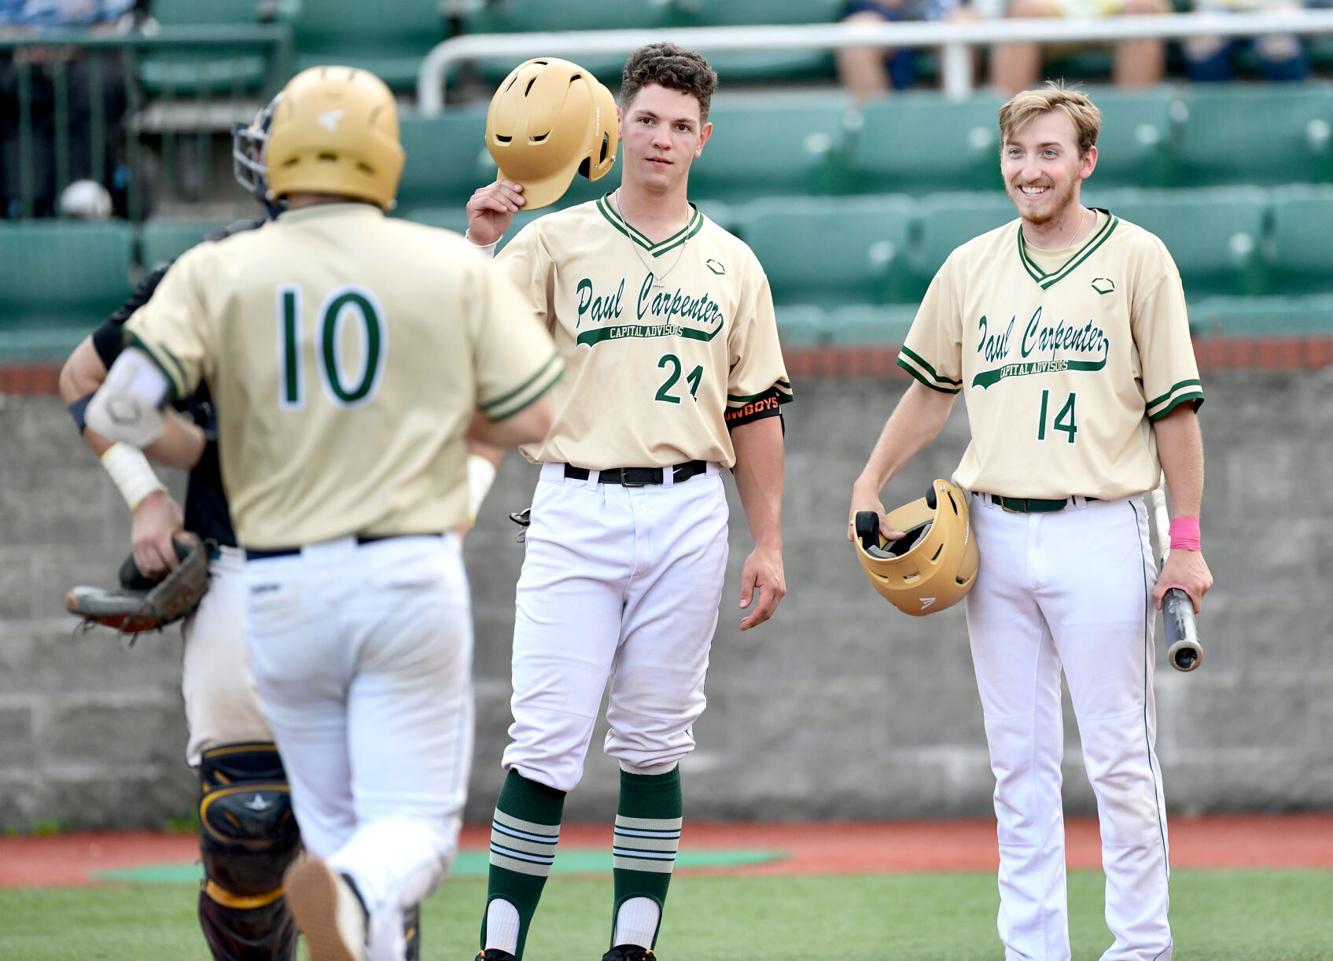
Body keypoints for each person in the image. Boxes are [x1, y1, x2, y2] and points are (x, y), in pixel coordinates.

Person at [84, 64, 562, 961]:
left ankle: (343, 887)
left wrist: (202, 453)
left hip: (276, 581)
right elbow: (535, 414)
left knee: (323, 816)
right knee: (408, 835)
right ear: (383, 156)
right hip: (404, 570)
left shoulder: (219, 266)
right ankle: (349, 885)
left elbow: (116, 407)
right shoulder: (444, 262)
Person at [848, 82, 1212, 961]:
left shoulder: (1137, 258)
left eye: (1049, 152)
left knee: (1121, 759)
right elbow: (932, 392)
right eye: (1016, 152)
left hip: (1104, 526)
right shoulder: (971, 264)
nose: (1029, 169)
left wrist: (1187, 543)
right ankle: (1033, 948)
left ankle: (1139, 946)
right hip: (992, 532)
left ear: (1086, 159)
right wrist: (868, 478)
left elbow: (1175, 416)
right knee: (1018, 763)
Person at [464, 43, 792, 961]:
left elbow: (755, 410)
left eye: (680, 125)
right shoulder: (550, 241)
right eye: (645, 118)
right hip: (574, 505)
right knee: (545, 736)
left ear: (703, 139)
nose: (661, 137)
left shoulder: (733, 263)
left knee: (653, 738)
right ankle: (498, 949)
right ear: (616, 126)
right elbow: (473, 351)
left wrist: (767, 538)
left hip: (690, 509)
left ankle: (632, 947)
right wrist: (482, 245)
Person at [58, 94, 301, 961]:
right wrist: (146, 493)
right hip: (245, 564)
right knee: (249, 827)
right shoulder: (211, 269)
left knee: (368, 854)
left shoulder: (416, 271)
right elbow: (86, 378)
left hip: (369, 574)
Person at [988, 0, 1167, 95]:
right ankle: (1008, 135)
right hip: (1053, 9)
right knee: (1024, 13)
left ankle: (1131, 137)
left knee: (1142, 8)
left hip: (1120, 9)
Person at [836, 0, 981, 99]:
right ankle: (880, 132)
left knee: (964, 24)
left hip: (942, 11)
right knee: (858, 34)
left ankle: (959, 126)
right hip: (877, 13)